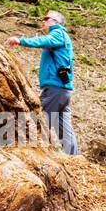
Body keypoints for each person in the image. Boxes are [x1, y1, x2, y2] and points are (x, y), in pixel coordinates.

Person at [8, 11, 79, 155]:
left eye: (46, 19)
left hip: (55, 89)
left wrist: (20, 41)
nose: (42, 21)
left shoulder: (58, 33)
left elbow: (42, 41)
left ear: (56, 22)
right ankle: (75, 158)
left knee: (35, 119)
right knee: (65, 129)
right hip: (62, 91)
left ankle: (27, 153)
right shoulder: (59, 37)